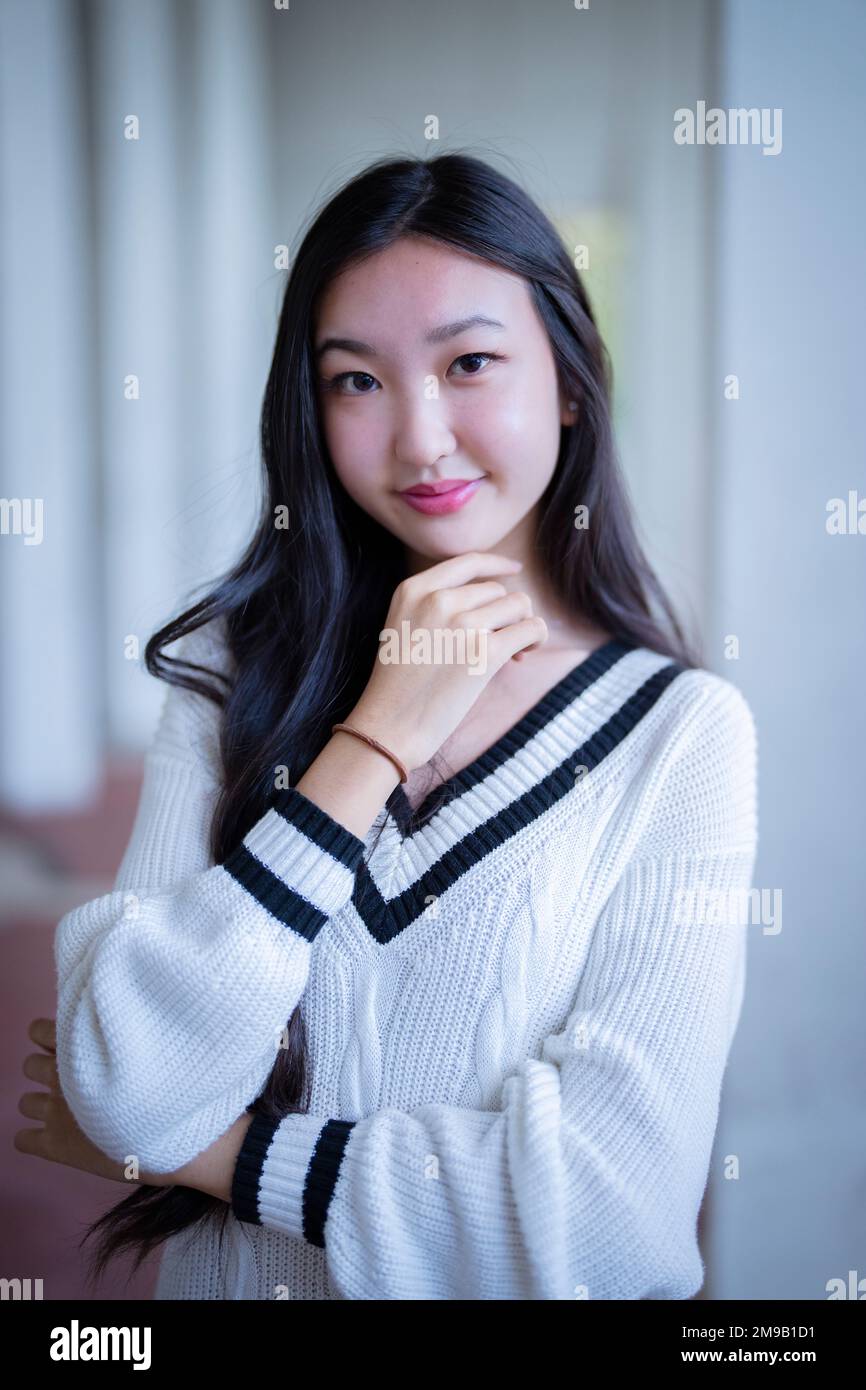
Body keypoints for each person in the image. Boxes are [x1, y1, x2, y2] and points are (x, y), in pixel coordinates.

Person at [37, 154, 758, 1299]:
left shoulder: (678, 734)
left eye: (469, 363)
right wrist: (374, 734)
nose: (420, 440)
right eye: (355, 380)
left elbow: (612, 1220)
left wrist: (221, 1156)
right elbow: (130, 1084)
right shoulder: (230, 676)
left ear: (567, 382)